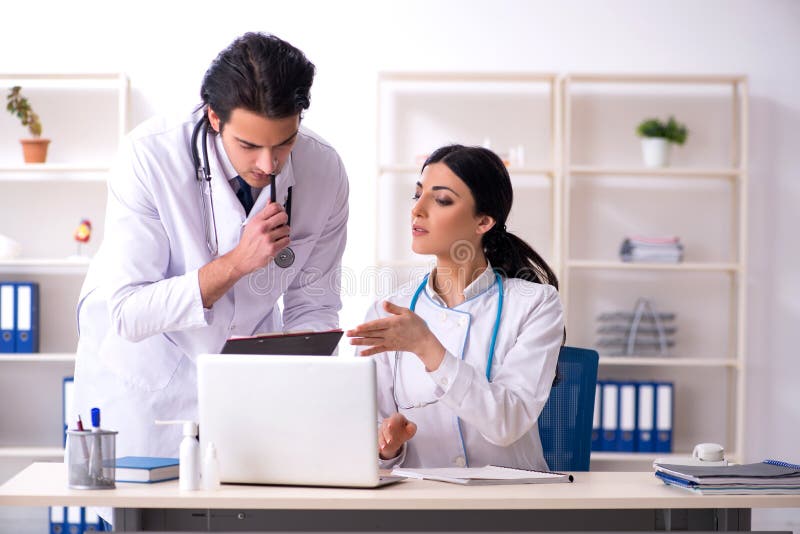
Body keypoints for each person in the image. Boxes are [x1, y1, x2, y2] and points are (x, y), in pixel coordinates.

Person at [72, 32, 349, 459]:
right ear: (214, 117)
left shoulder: (324, 171)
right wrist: (236, 263)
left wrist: (302, 398)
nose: (268, 164)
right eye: (249, 145)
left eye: (284, 143)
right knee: (149, 521)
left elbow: (312, 305)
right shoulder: (148, 158)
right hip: (149, 382)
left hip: (250, 383)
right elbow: (128, 312)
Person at [347, 144, 562, 470]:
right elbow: (365, 440)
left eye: (442, 199)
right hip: (422, 508)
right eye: (417, 195)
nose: (417, 210)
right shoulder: (388, 311)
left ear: (484, 221)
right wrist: (386, 448)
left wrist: (425, 345)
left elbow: (507, 423)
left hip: (512, 505)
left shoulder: (535, 304)